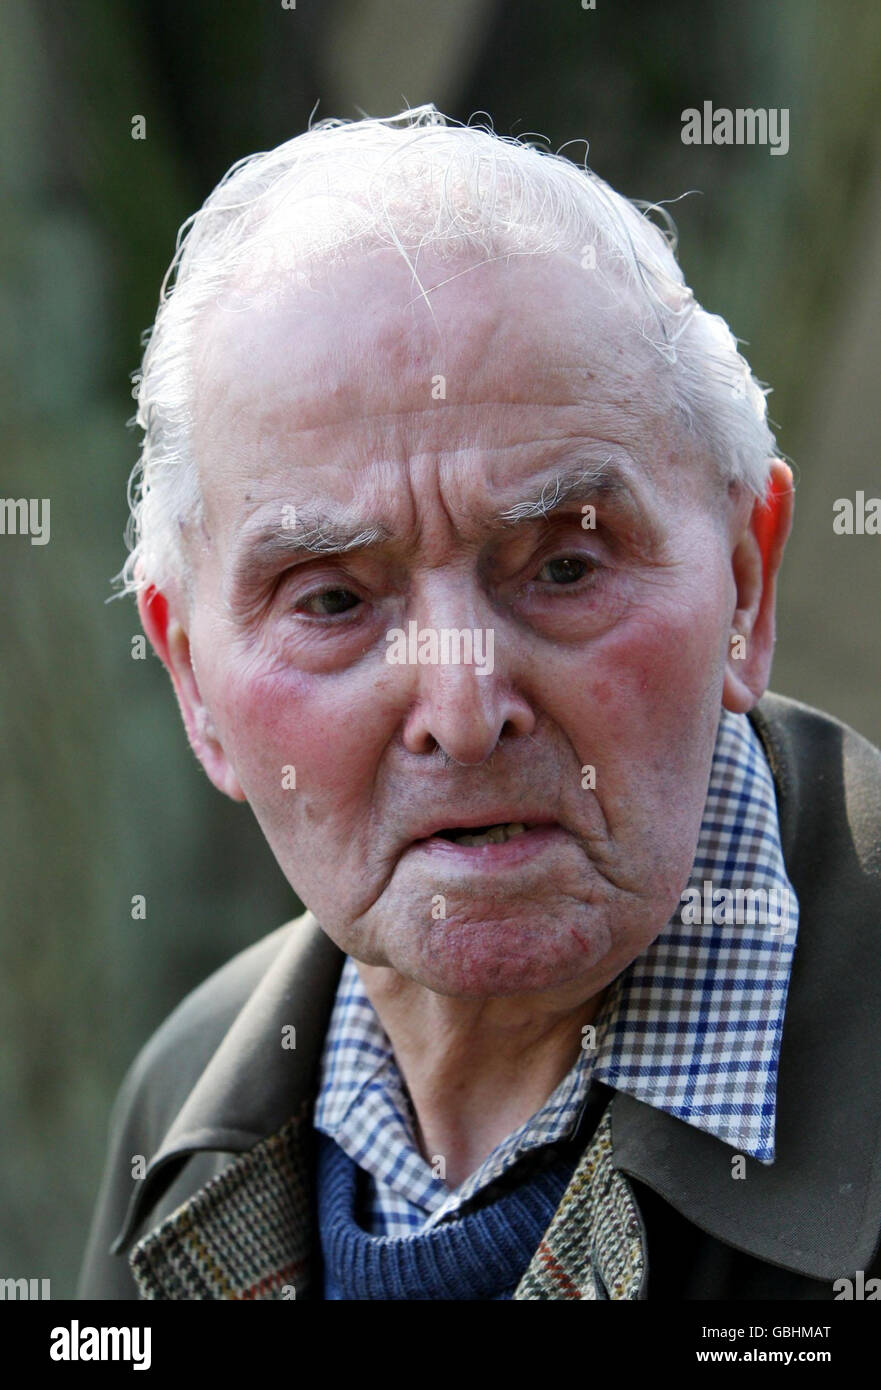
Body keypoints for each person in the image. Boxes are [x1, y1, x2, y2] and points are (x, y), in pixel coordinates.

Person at [79, 104, 881, 1300]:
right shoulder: (189, 1106)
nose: (462, 710)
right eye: (334, 600)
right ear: (193, 681)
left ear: (742, 588)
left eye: (565, 566)